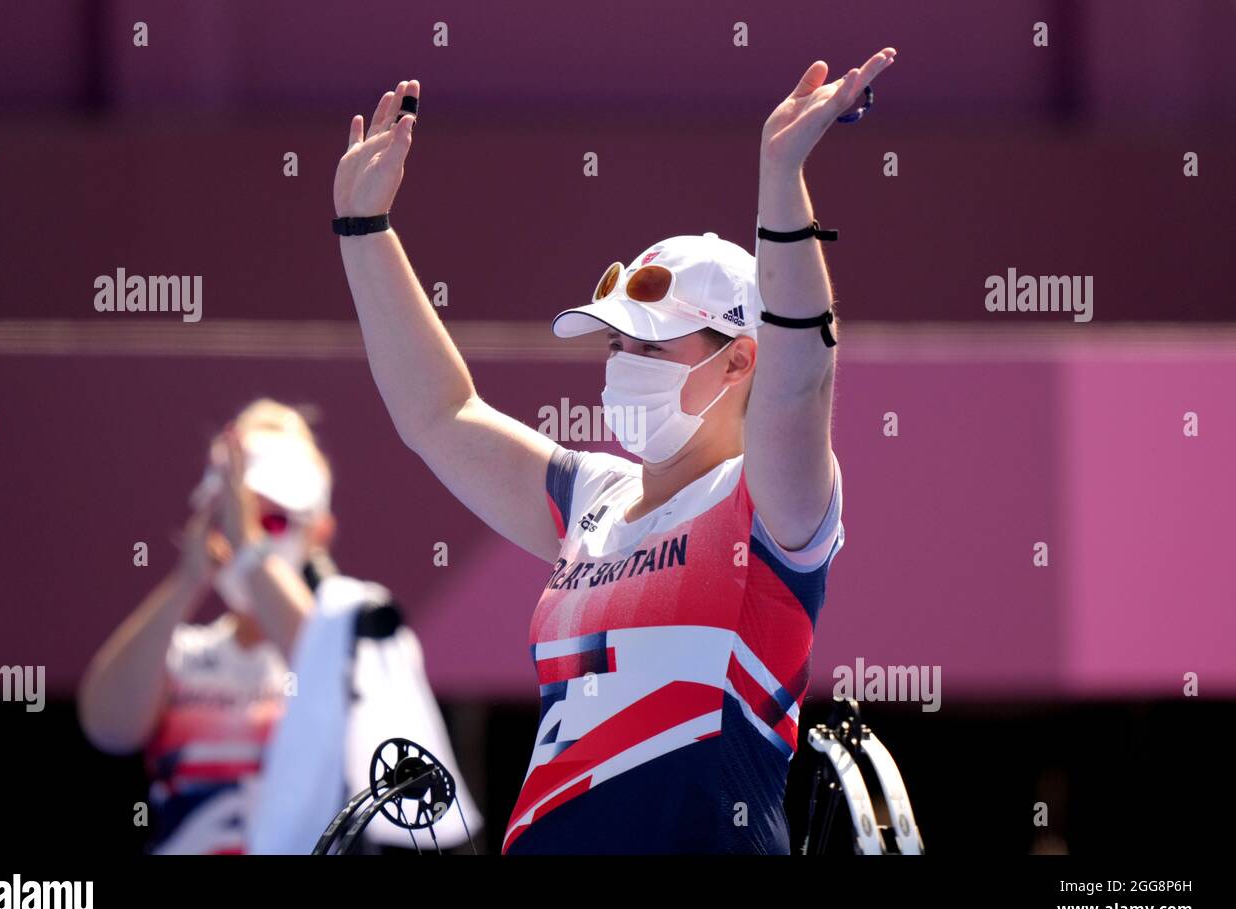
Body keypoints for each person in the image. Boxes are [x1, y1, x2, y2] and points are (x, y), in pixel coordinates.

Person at [332, 47, 896, 853]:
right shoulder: (590, 497)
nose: (621, 368)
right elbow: (440, 414)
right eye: (615, 347)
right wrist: (364, 231)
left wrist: (780, 177)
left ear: (741, 357)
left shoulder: (773, 505)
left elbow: (804, 373)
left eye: (650, 348)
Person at [77, 399, 479, 854]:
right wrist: (186, 581)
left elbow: (329, 672)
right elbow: (108, 729)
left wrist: (248, 548)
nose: (244, 532)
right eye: (232, 517)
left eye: (271, 519)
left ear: (319, 532)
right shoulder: (181, 654)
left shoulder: (366, 631)